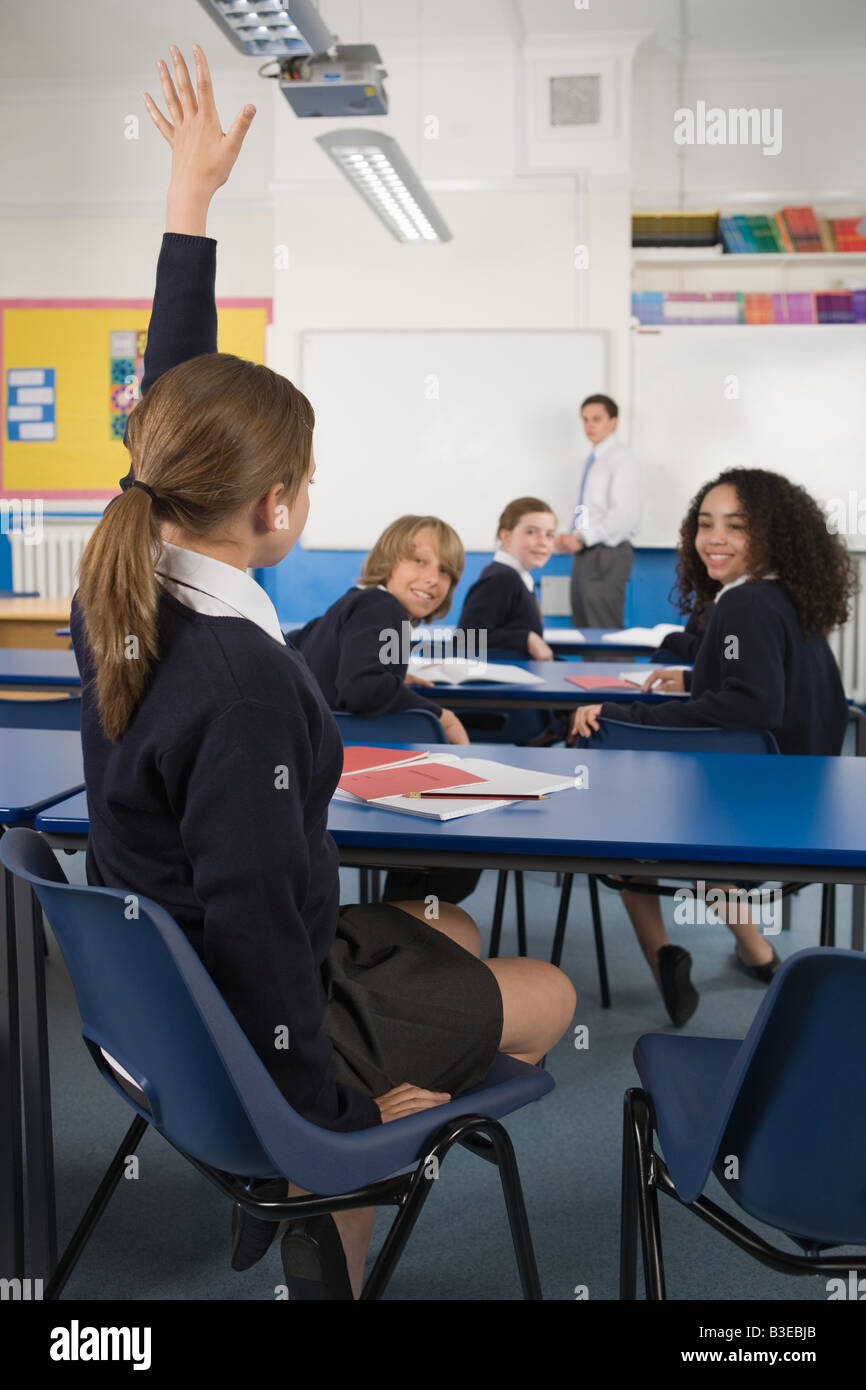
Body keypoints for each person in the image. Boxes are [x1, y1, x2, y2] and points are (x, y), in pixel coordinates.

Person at [72, 45, 576, 1300]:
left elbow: (178, 401)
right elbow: (254, 915)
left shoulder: (116, 590)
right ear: (283, 505)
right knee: (550, 991)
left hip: (176, 1002)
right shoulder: (242, 682)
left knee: (449, 923)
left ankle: (311, 1165)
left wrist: (190, 201)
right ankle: (324, 1191)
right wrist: (326, 1105)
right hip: (255, 1026)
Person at [570, 467, 856, 1026]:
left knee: (633, 826)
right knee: (680, 800)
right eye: (705, 524)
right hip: (804, 801)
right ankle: (759, 953)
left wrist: (620, 713)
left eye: (736, 525)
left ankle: (661, 958)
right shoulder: (783, 597)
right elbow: (769, 690)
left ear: (772, 534)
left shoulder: (742, 605)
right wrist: (695, 681)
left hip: (751, 813)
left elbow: (752, 707)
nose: (714, 538)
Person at [455, 497, 560, 744]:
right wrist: (525, 638)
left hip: (519, 689)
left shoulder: (517, 577)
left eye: (549, 534)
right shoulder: (502, 579)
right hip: (510, 702)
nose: (543, 542)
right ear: (506, 535)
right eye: (531, 532)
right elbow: (466, 638)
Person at [555, 394, 641, 632]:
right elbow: (585, 507)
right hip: (583, 554)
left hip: (607, 554)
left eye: (596, 419)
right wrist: (566, 533)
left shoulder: (623, 460)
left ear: (613, 422)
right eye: (585, 419)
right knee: (583, 627)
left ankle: (612, 671)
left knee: (603, 629)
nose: (589, 425)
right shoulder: (588, 463)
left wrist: (582, 537)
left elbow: (623, 516)